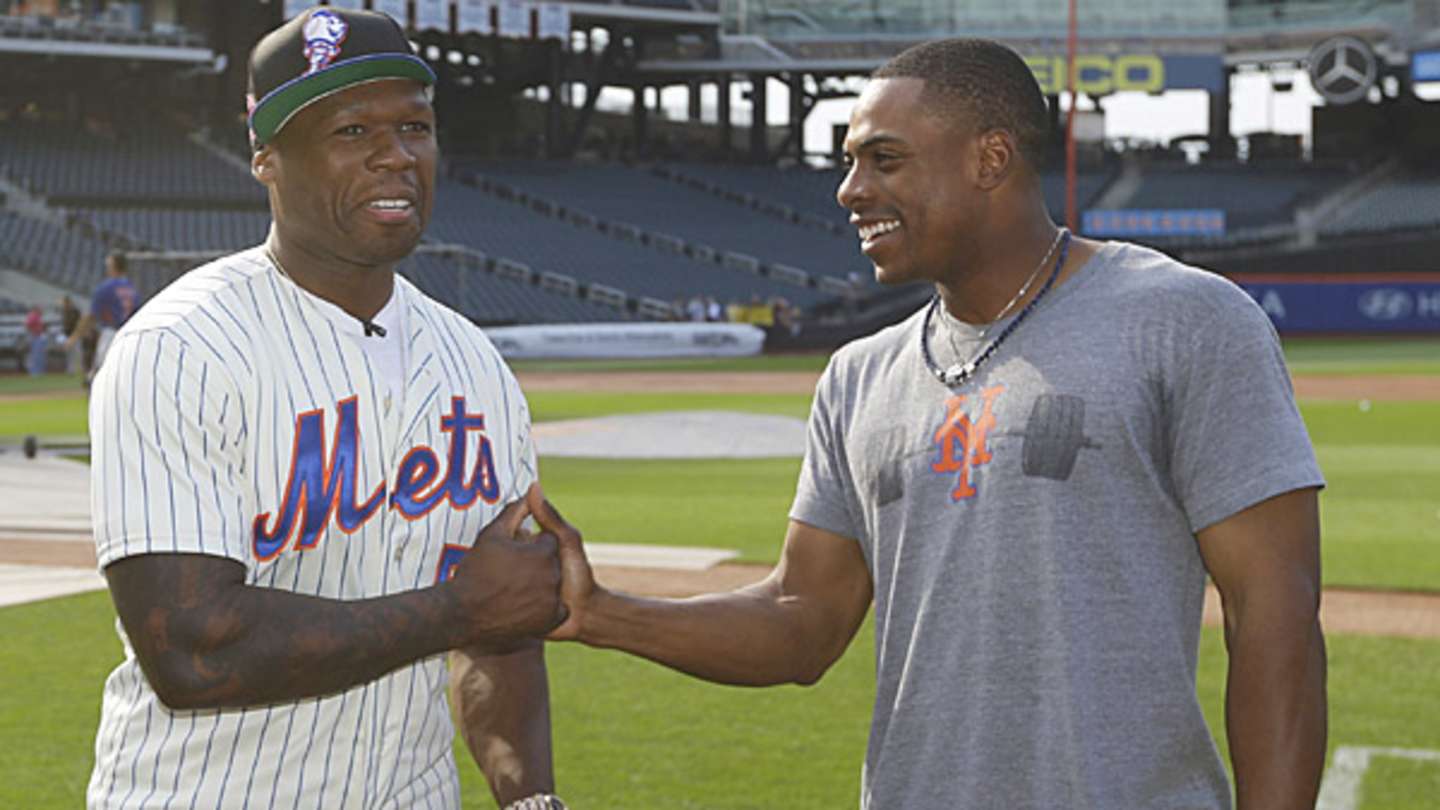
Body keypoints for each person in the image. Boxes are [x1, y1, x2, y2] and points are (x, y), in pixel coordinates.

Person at [538, 38, 1327, 809]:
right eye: (849, 162)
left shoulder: (1183, 318)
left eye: (884, 159)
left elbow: (1274, 616)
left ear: (990, 159)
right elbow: (801, 620)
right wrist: (601, 611)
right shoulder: (858, 375)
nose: (850, 189)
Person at [86, 8, 569, 810]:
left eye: (415, 124)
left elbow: (503, 627)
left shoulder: (474, 363)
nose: (396, 154)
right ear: (266, 157)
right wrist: (457, 608)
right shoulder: (180, 348)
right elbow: (194, 654)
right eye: (351, 131)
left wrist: (530, 798)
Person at [66, 251, 139, 382]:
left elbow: (91, 316)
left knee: (100, 374)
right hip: (129, 335)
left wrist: (74, 337)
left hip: (111, 333)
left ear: (113, 266)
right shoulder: (131, 288)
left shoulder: (106, 288)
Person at [59, 293, 81, 374]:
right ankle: (70, 370)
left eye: (65, 302)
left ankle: (79, 369)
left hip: (75, 334)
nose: (64, 304)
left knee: (77, 352)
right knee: (69, 354)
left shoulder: (75, 311)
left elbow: (79, 322)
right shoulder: (64, 311)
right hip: (67, 334)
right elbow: (64, 324)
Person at [23, 303, 47, 375]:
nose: (41, 310)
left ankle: (39, 372)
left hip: (38, 336)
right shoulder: (33, 315)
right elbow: (27, 325)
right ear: (36, 309)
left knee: (39, 355)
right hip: (35, 337)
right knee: (36, 355)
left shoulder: (38, 316)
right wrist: (33, 332)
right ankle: (34, 372)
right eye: (39, 309)